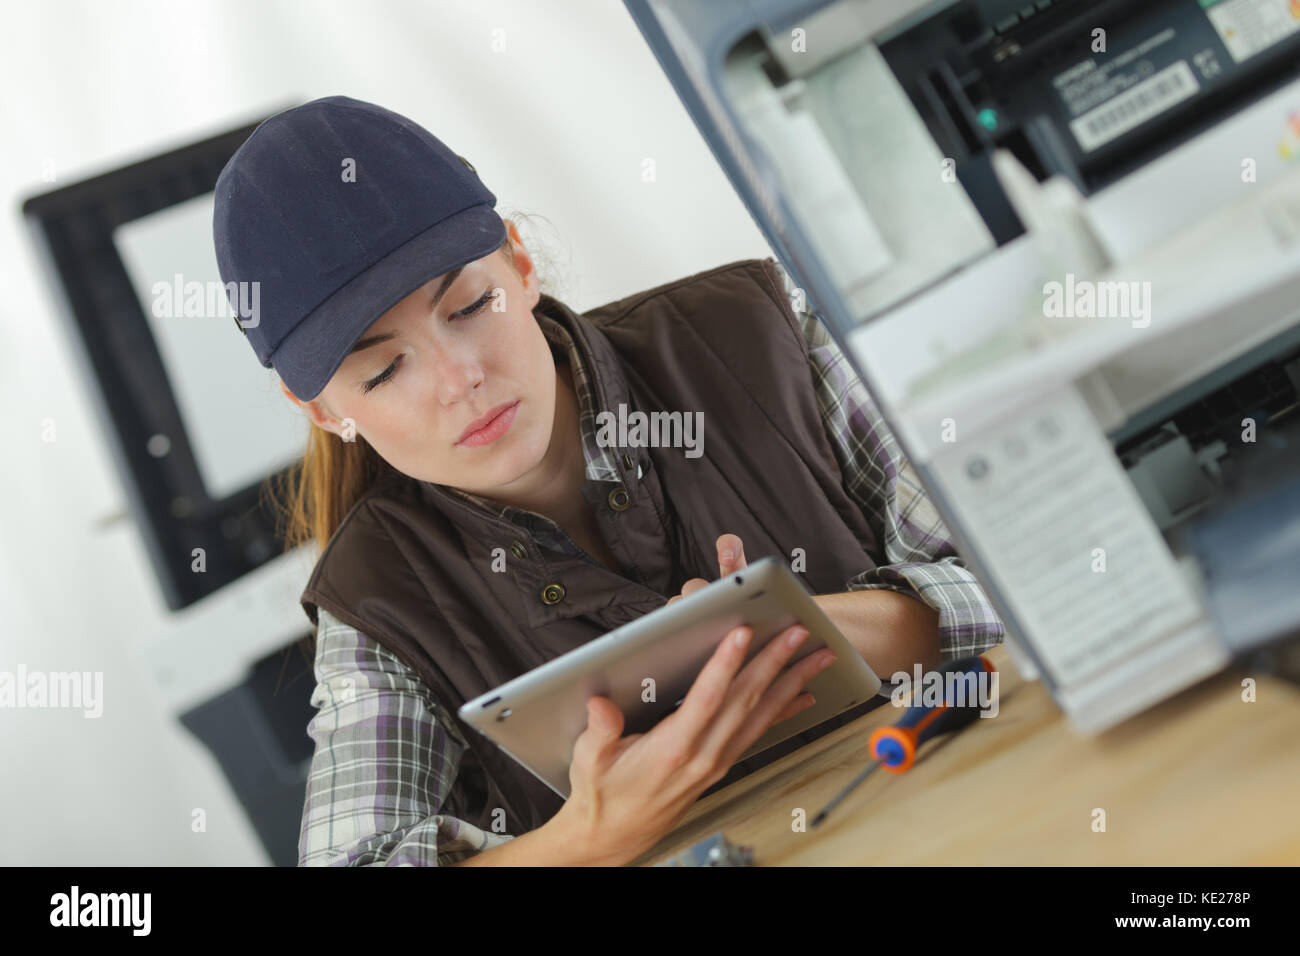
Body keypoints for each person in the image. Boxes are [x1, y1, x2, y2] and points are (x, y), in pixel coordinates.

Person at [213, 95, 1005, 867]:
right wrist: (585, 840)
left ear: (519, 263)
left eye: (470, 306)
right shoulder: (373, 606)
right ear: (319, 410)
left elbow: (1025, 564)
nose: (461, 379)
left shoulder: (764, 334)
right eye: (385, 371)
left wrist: (795, 630)